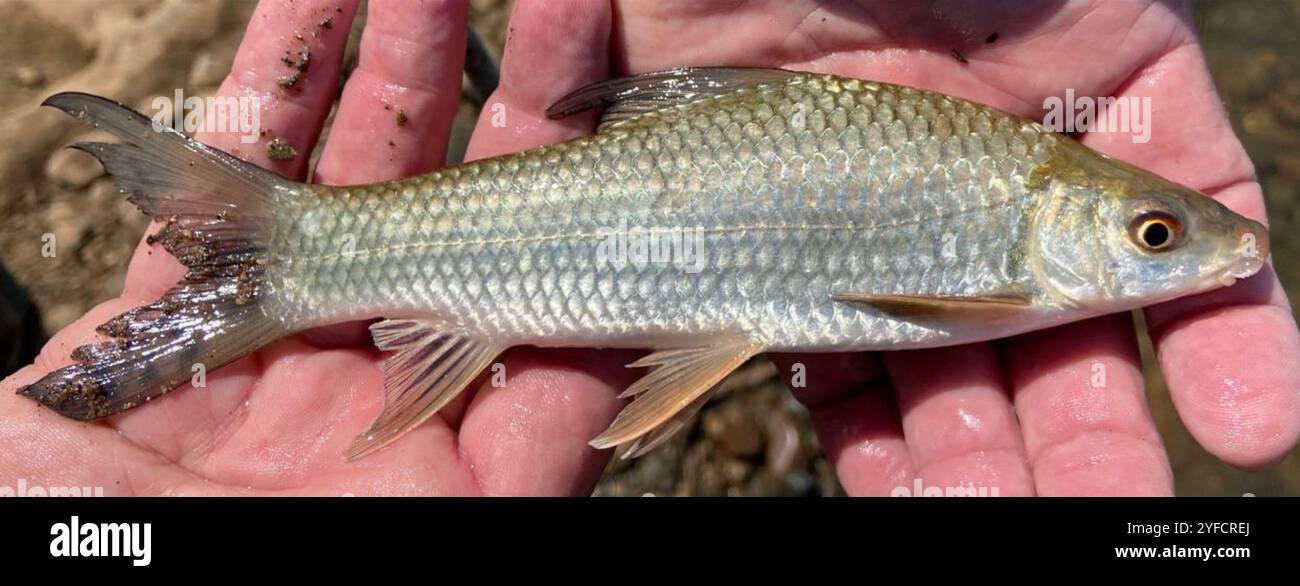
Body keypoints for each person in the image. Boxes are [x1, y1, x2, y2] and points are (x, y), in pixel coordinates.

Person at [1, 0, 1295, 496]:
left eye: (1156, 230)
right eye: (1155, 235)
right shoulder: (1005, 237)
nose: (1189, 250)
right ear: (1069, 222)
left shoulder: (1016, 183)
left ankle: (268, 278)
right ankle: (281, 265)